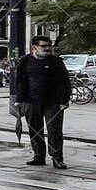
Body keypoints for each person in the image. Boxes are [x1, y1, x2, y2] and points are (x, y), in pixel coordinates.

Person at [15, 32, 71, 168]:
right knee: (34, 130)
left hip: (53, 102)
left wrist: (64, 100)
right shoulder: (24, 61)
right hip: (31, 101)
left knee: (54, 130)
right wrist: (19, 100)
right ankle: (38, 156)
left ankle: (57, 158)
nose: (47, 48)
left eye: (49, 46)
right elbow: (20, 81)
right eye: (44, 46)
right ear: (34, 47)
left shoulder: (56, 61)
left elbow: (65, 82)